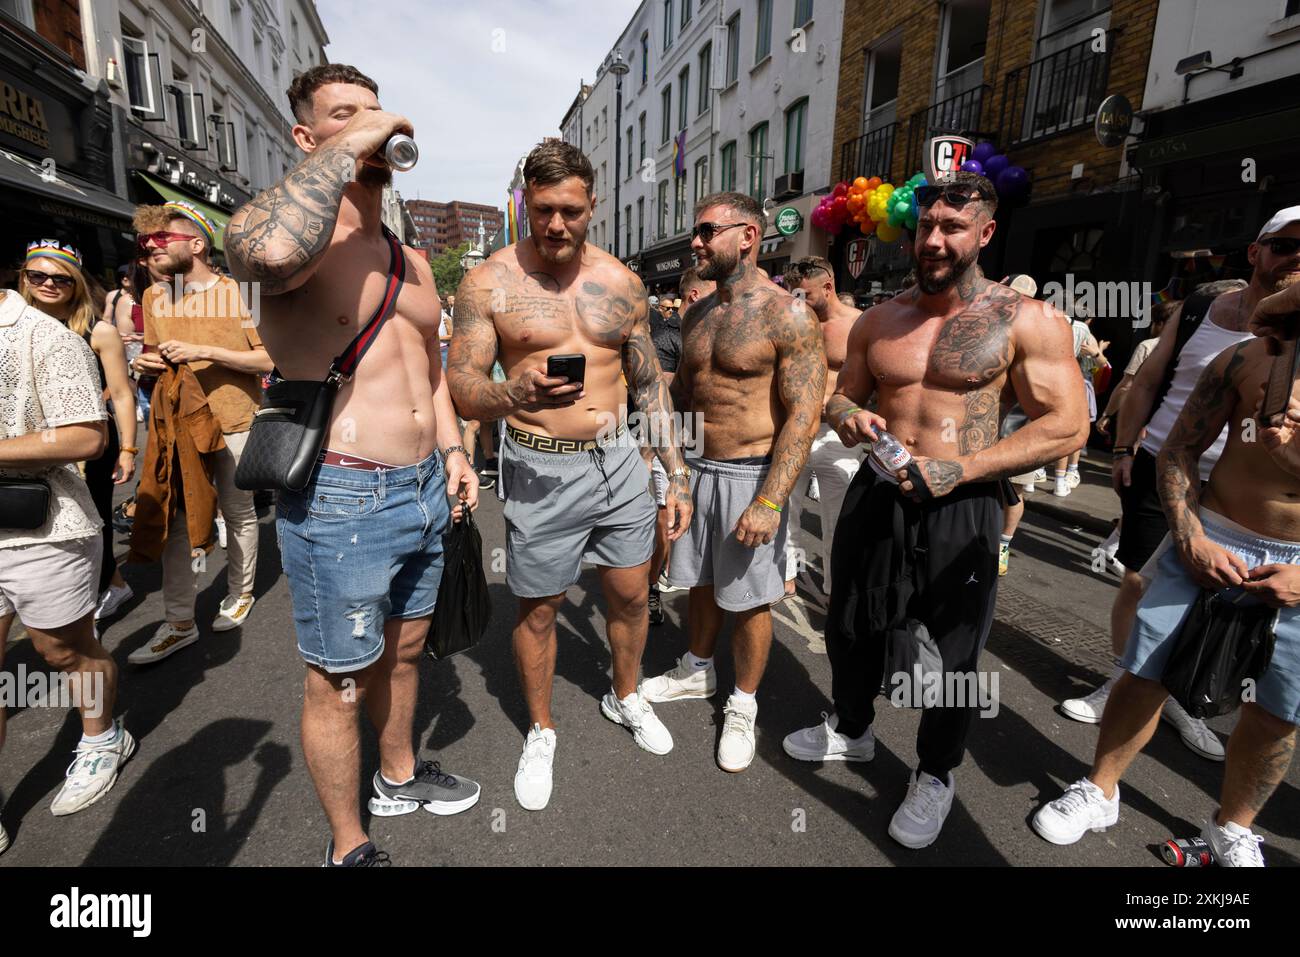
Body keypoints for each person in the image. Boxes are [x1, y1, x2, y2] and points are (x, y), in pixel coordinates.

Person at [782, 172, 1088, 848]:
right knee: (852, 621)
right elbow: (840, 396)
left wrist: (964, 467)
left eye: (953, 227)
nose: (936, 239)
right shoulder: (881, 318)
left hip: (964, 500)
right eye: (927, 226)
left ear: (985, 233)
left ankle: (935, 772)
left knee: (952, 650)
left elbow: (1068, 425)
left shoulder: (1024, 320)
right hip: (879, 489)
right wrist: (851, 413)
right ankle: (854, 729)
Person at [225, 63, 481, 866]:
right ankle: (348, 844)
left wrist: (454, 449)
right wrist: (352, 148)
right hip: (342, 493)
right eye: (346, 115)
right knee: (338, 678)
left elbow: (428, 373)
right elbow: (263, 252)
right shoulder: (291, 240)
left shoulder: (405, 257)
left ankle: (398, 775)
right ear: (306, 138)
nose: (375, 126)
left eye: (377, 112)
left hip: (423, 488)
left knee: (405, 653)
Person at [449, 139, 692, 812]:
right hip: (539, 466)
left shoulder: (620, 283)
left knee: (631, 593)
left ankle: (625, 693)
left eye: (573, 211)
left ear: (593, 206)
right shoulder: (488, 282)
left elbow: (648, 387)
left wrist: (676, 472)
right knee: (539, 606)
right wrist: (509, 394)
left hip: (618, 460)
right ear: (527, 200)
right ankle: (542, 728)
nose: (557, 225)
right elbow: (463, 387)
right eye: (545, 209)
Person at [1032, 263, 1300, 866]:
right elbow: (1178, 447)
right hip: (1215, 536)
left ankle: (1232, 826)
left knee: (1278, 711)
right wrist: (1191, 535)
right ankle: (1100, 790)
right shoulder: (1245, 360)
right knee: (1143, 674)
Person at [1061, 210, 1300, 758]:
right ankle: (1125, 681)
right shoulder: (1201, 310)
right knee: (1142, 586)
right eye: (1284, 246)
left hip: (1243, 488)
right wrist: (1123, 449)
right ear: (1256, 253)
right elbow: (1146, 382)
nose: (1295, 258)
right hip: (1166, 466)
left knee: (1231, 606)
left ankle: (1183, 695)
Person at [640, 192, 825, 773]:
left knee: (750, 601)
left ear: (747, 236)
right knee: (697, 581)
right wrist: (675, 476)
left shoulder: (787, 314)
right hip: (698, 470)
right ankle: (697, 671)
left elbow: (804, 413)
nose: (695, 242)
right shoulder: (697, 316)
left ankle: (742, 705)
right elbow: (683, 401)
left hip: (753, 476)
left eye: (706, 231)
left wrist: (770, 500)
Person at [0, 278, 131, 842]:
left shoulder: (47, 337)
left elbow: (84, 437)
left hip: (43, 529)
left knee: (65, 652)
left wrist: (128, 448)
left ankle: (103, 737)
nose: (50, 283)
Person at [126, 200, 270, 662]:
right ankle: (178, 622)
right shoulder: (154, 297)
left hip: (235, 421)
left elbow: (270, 360)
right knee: (177, 525)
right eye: (145, 244)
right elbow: (152, 353)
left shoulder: (242, 291)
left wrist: (203, 350)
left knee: (238, 511)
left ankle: (239, 592)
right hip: (178, 425)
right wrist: (143, 362)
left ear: (196, 244)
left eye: (160, 241)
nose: (150, 250)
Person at [19, 243, 138, 626]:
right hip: (30, 443)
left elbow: (121, 393)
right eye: (38, 276)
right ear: (24, 278)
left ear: (77, 284)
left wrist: (129, 450)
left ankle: (94, 597)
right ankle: (88, 588)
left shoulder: (97, 330)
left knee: (93, 520)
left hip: (88, 442)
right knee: (39, 517)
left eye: (61, 278)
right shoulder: (11, 326)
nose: (49, 284)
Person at [781, 255, 864, 598]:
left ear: (828, 287)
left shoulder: (859, 325)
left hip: (838, 438)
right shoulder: (796, 320)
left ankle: (834, 588)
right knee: (785, 509)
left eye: (804, 294)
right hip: (795, 429)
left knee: (839, 520)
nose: (798, 301)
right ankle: (785, 576)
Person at [642, 267, 701, 625]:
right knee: (665, 514)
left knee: (682, 515)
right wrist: (650, 450)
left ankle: (672, 573)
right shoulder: (666, 335)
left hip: (700, 437)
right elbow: (656, 398)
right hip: (668, 438)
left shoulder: (708, 330)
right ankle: (651, 587)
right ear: (694, 296)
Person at [1050, 305, 1108, 497]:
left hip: (1061, 384)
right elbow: (1103, 365)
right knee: (1074, 431)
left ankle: (1057, 473)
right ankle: (1068, 473)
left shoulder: (1057, 328)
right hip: (1077, 386)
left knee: (1061, 429)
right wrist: (1098, 351)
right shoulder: (1083, 331)